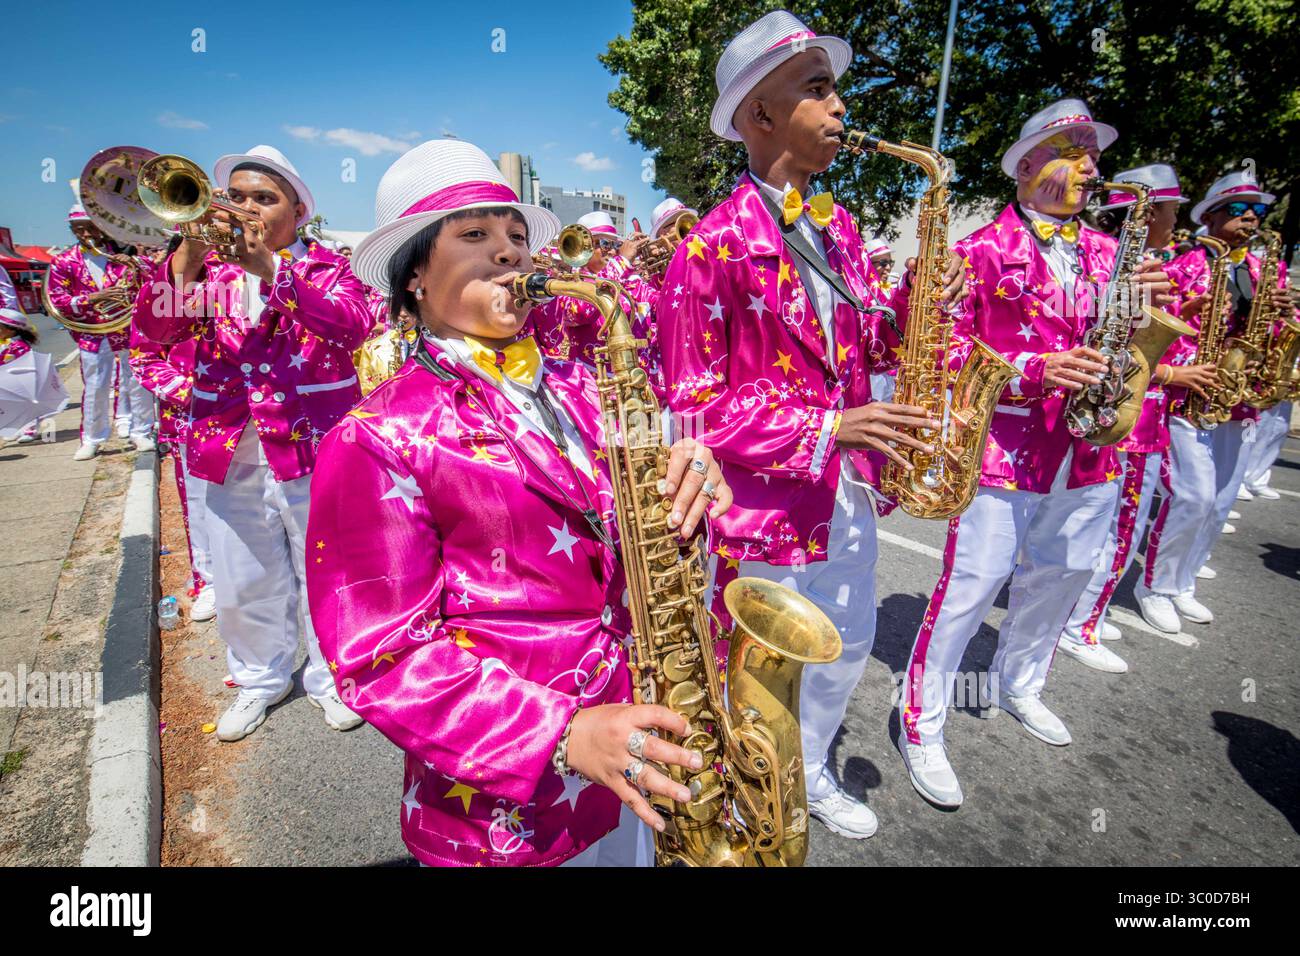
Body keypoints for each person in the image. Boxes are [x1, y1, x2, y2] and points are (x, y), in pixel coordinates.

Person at [308, 138, 733, 866]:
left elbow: (665, 474)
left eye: (515, 236)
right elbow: (381, 659)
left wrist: (696, 466)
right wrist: (562, 735)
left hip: (637, 749)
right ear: (413, 275)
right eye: (474, 236)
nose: (510, 253)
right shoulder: (375, 436)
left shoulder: (586, 383)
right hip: (508, 800)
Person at [658, 10, 961, 839]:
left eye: (835, 91)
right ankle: (739, 793)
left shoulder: (841, 228)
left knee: (847, 646)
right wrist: (830, 428)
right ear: (760, 117)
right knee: (759, 671)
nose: (840, 111)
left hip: (849, 496)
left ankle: (808, 768)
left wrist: (924, 302)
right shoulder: (706, 251)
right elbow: (693, 407)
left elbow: (870, 342)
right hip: (762, 512)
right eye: (818, 91)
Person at [897, 98, 1173, 808]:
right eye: (1071, 150)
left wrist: (1145, 314)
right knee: (971, 589)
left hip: (1090, 449)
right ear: (1027, 166)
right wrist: (1033, 369)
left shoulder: (1116, 254)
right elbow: (949, 349)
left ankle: (1021, 685)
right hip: (1005, 447)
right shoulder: (978, 250)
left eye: (1093, 152)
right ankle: (922, 723)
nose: (1091, 165)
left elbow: (1127, 334)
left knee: (1063, 575)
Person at [134, 144, 372, 740]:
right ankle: (259, 680)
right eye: (234, 196)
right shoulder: (203, 272)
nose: (244, 208)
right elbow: (154, 330)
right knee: (243, 576)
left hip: (310, 441)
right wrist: (187, 251)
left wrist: (272, 271)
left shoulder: (327, 266)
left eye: (263, 198)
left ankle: (331, 676)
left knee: (323, 569)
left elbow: (352, 326)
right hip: (228, 442)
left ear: (297, 212)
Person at [1056, 164, 1205, 672]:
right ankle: (1080, 624)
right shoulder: (1110, 259)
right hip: (1119, 414)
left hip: (1134, 412)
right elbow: (1106, 343)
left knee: (1117, 528)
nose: (1175, 219)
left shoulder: (1137, 263)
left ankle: (1084, 617)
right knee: (1116, 529)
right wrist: (1163, 374)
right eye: (1171, 210)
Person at [1138, 170, 1297, 631]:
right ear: (1209, 216)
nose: (1250, 216)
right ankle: (1157, 586)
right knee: (1194, 495)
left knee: (1222, 499)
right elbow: (1159, 326)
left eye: (1258, 210)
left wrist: (1285, 316)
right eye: (1239, 208)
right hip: (1194, 391)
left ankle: (1183, 581)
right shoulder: (1185, 263)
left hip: (1244, 394)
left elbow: (1273, 329)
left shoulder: (1268, 269)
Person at [46, 205, 155, 459]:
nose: (86, 234)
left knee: (137, 381)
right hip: (93, 333)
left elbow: (154, 277)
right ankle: (92, 438)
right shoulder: (64, 261)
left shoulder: (120, 255)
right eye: (79, 229)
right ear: (72, 230)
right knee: (95, 386)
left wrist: (136, 262)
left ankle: (142, 432)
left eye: (91, 227)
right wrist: (95, 298)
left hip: (127, 329)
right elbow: (58, 301)